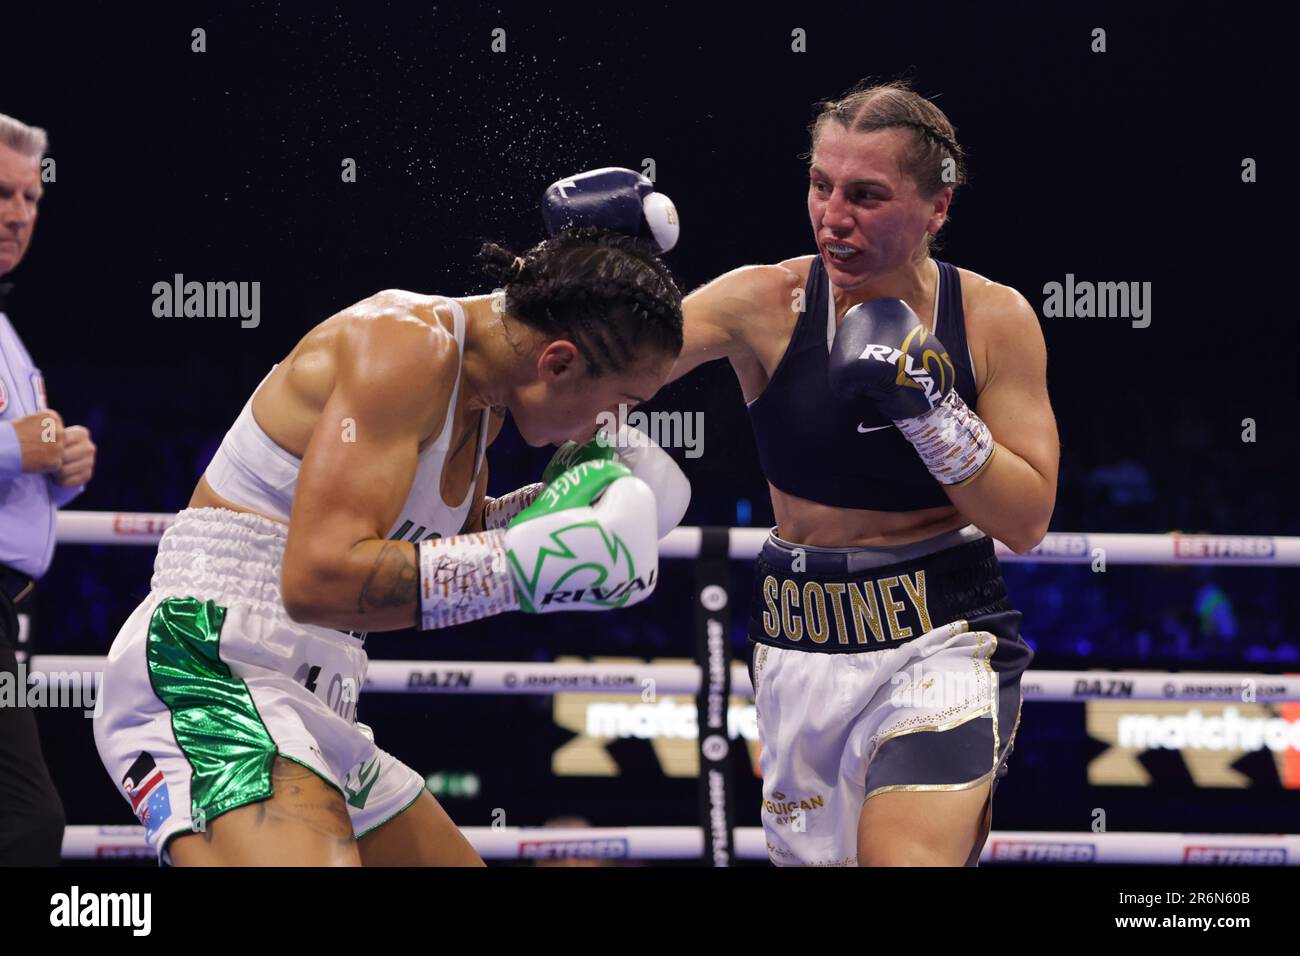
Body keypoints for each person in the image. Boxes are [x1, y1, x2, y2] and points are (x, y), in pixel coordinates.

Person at [547, 81, 1057, 866]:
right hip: (800, 642)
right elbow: (587, 377)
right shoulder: (765, 303)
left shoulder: (993, 320)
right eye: (821, 185)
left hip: (944, 638)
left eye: (866, 195)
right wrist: (579, 277)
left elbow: (1025, 521)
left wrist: (929, 409)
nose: (833, 216)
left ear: (937, 209)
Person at [93, 219, 691, 866]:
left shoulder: (481, 403)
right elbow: (318, 581)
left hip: (315, 701)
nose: (616, 426)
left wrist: (541, 512)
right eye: (624, 403)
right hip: (213, 661)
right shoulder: (406, 350)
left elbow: (428, 554)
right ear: (559, 361)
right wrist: (529, 563)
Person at [0, 112, 97, 865]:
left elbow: (18, 476)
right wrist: (15, 447)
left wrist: (58, 473)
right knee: (27, 820)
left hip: (11, 612)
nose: (18, 214)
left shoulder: (8, 332)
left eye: (30, 198)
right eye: (1, 193)